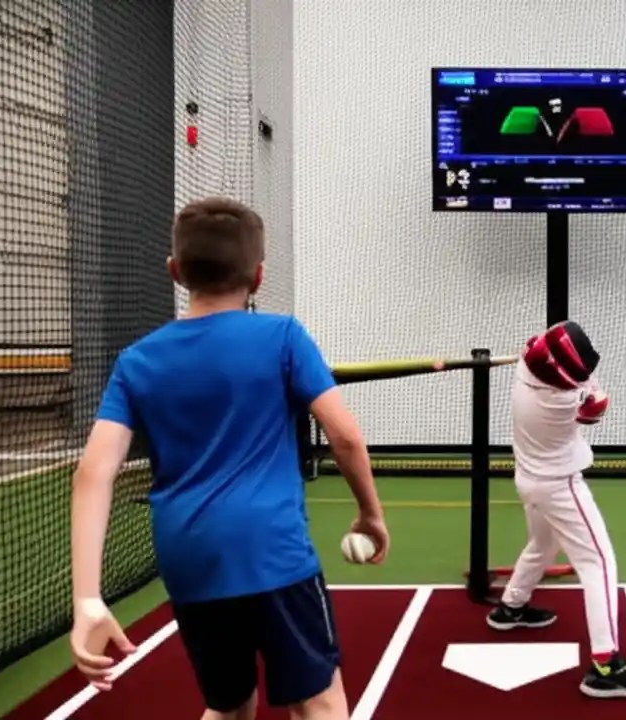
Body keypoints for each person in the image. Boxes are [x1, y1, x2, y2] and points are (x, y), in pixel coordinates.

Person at [67, 197, 390, 720]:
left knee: (229, 704)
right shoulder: (284, 336)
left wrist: (86, 598)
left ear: (175, 271)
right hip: (273, 553)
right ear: (258, 276)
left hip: (189, 561)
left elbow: (93, 473)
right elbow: (346, 437)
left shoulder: (135, 361)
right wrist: (371, 514)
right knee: (319, 700)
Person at [486, 321, 626, 699]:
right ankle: (606, 665)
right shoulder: (562, 402)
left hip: (529, 478)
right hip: (559, 485)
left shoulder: (528, 364)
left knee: (542, 545)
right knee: (598, 562)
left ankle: (511, 606)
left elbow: (546, 345)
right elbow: (593, 408)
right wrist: (590, 390)